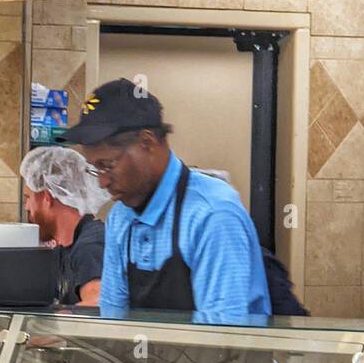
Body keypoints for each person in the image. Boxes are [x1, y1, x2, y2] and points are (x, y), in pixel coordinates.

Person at [61, 78, 271, 323]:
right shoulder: (121, 217)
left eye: (108, 165)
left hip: (226, 359)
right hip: (163, 360)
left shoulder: (212, 215)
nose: (102, 182)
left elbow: (223, 336)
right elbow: (114, 319)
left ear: (147, 142)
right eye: (96, 169)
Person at [19, 146, 107, 307]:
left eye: (28, 198)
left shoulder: (90, 246)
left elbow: (97, 304)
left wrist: (47, 329)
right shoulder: (66, 247)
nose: (27, 207)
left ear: (46, 197)